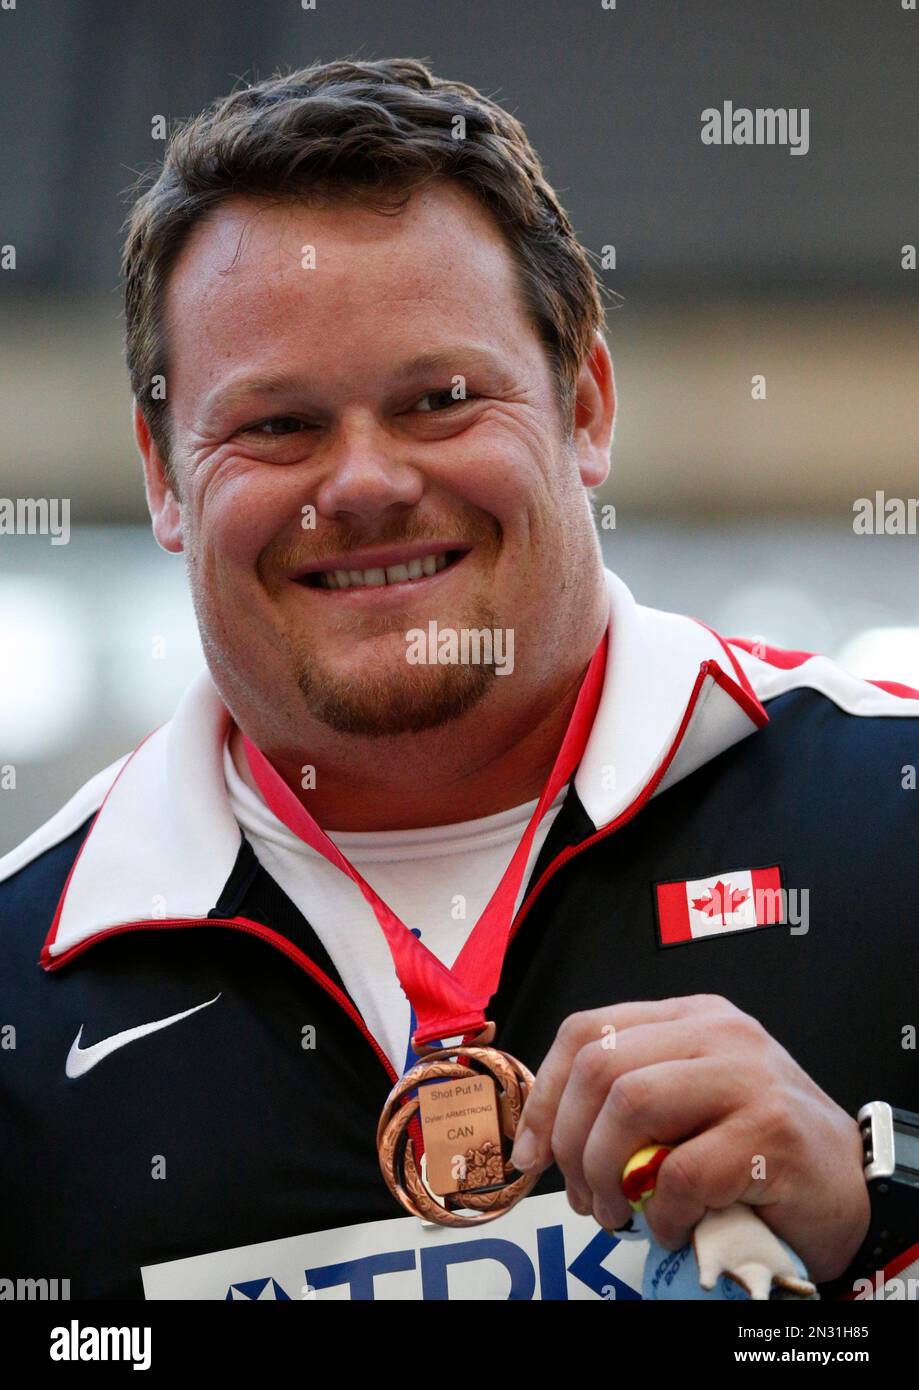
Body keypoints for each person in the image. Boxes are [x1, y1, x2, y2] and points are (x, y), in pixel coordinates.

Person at [1, 57, 916, 1302]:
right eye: (277, 425)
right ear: (163, 476)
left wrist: (878, 1225)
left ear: (585, 407)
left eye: (439, 399)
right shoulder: (20, 978)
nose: (365, 483)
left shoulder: (894, 809)